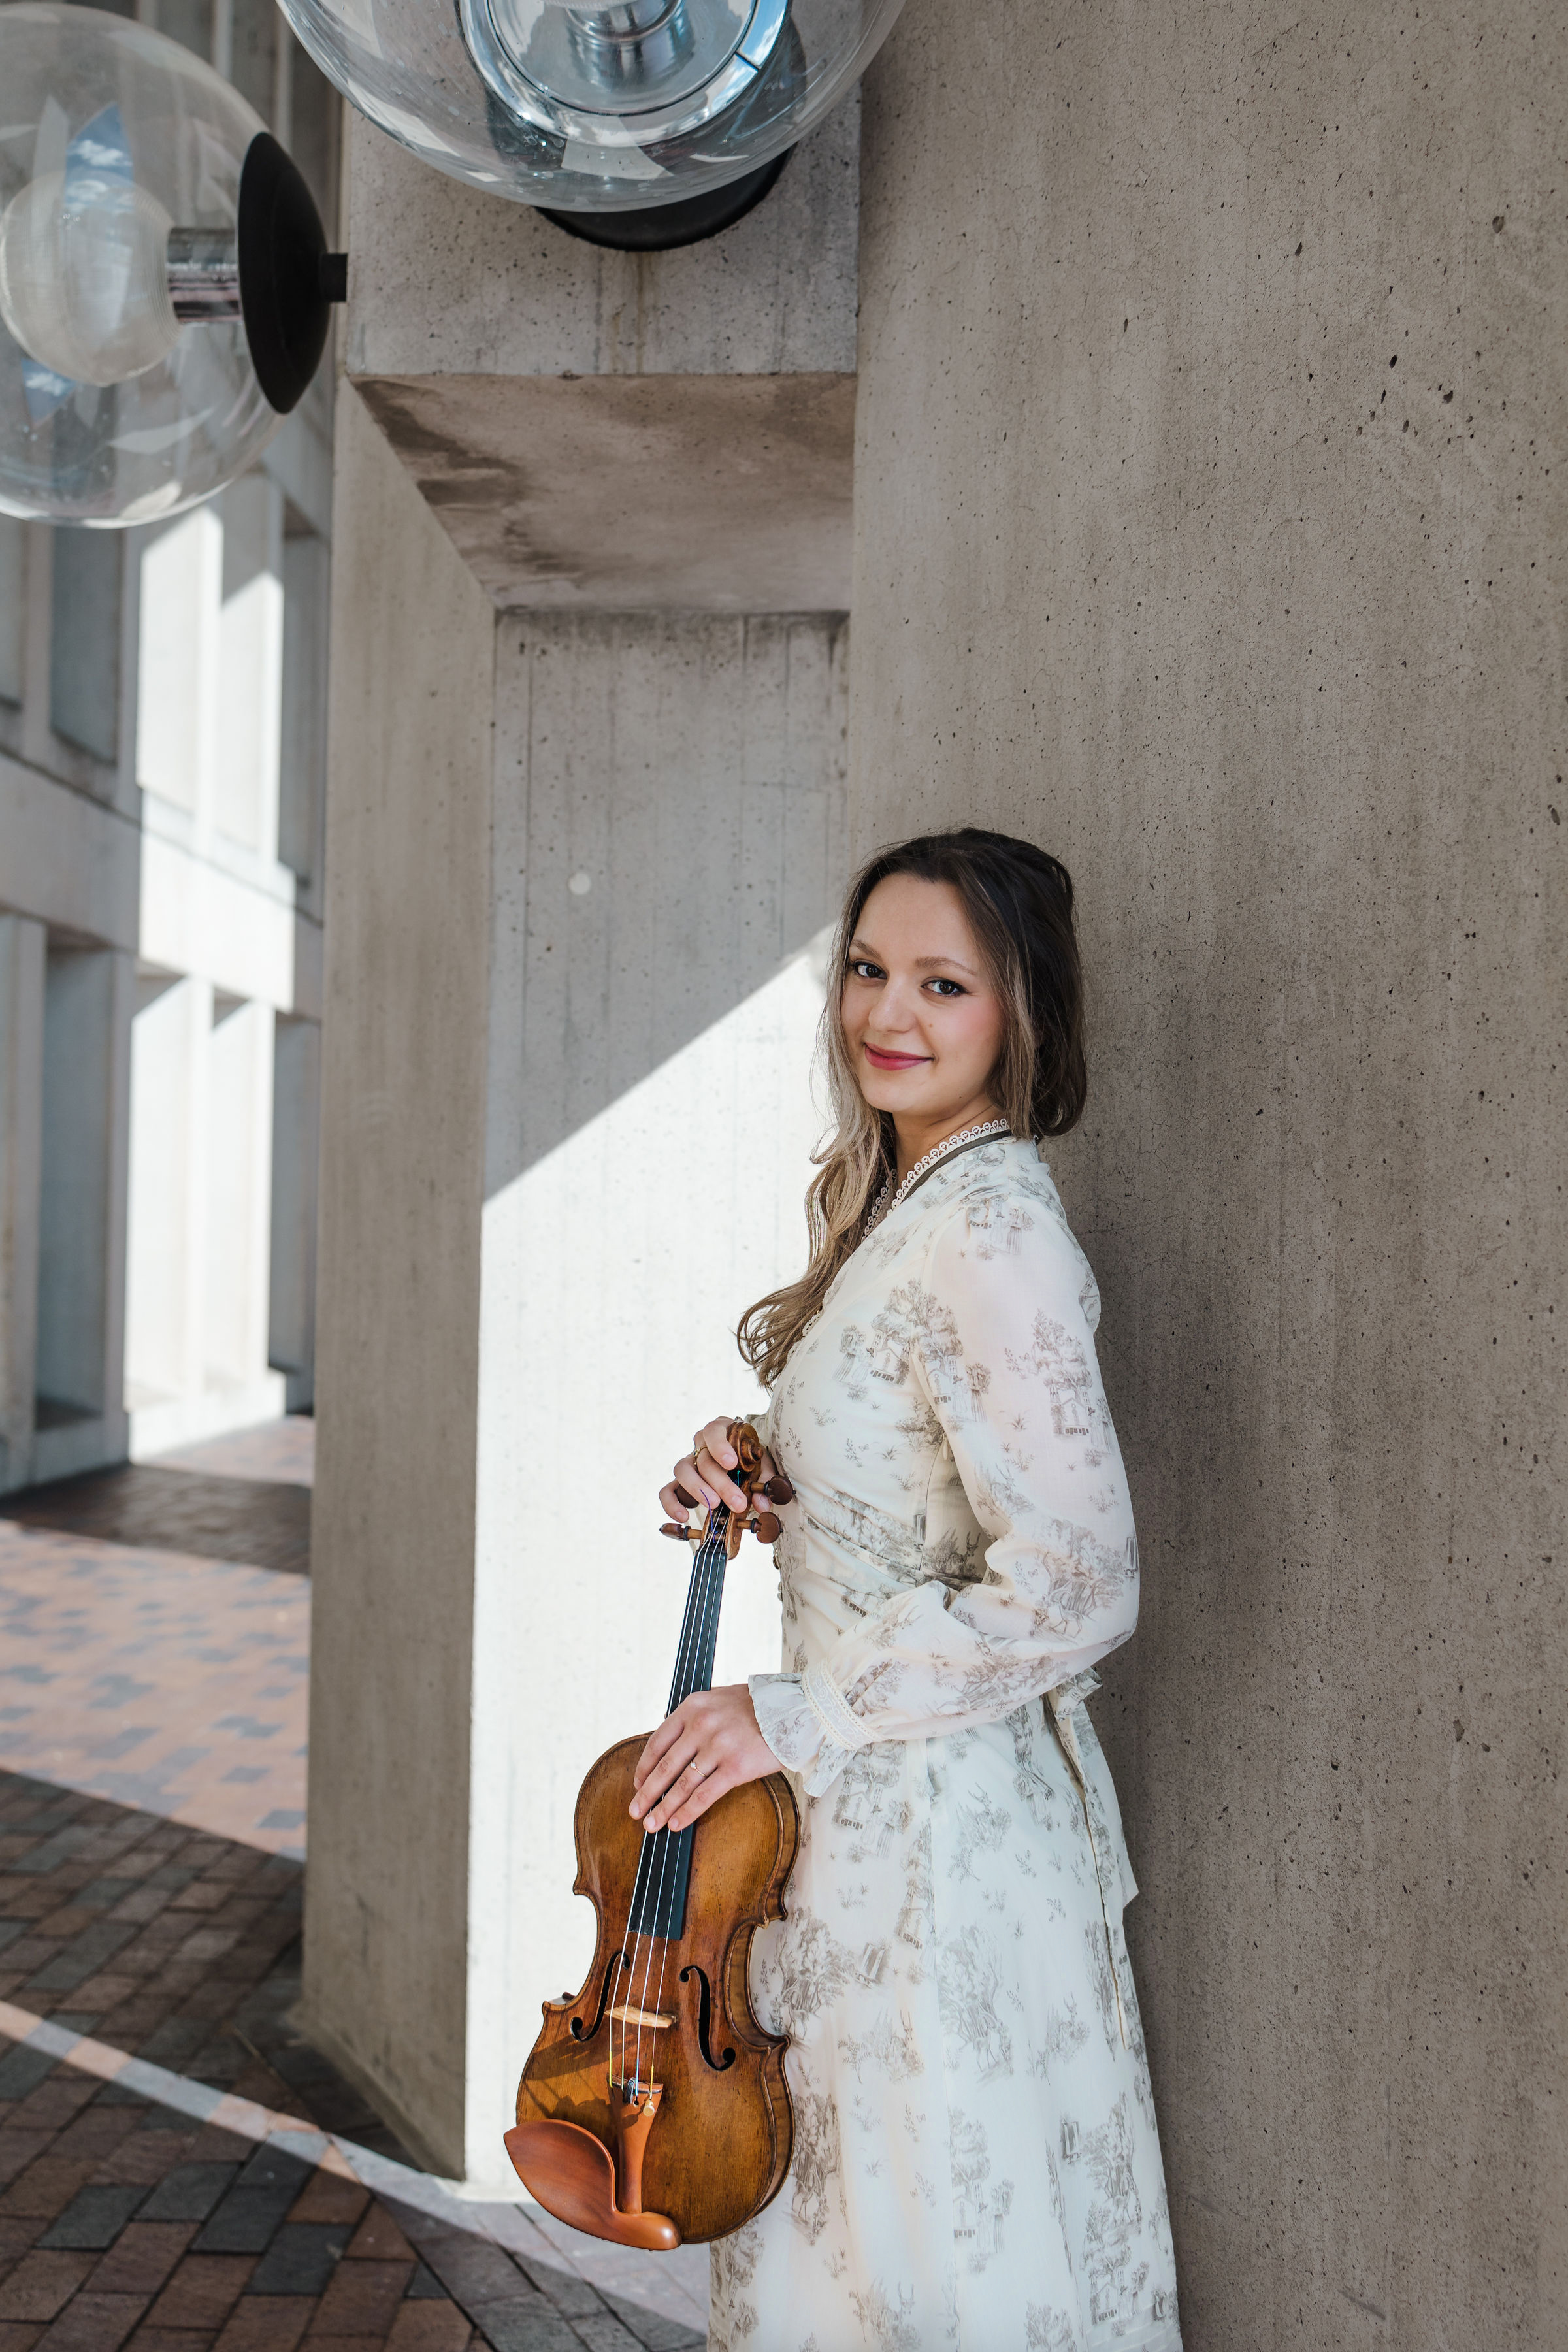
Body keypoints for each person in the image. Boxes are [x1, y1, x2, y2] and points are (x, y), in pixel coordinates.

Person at [632, 828, 1181, 2352]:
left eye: (945, 983)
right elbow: (908, 1495)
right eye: (870, 969)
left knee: (926, 2275)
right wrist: (757, 1468)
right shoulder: (913, 1207)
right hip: (865, 1831)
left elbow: (1082, 1581)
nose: (888, 1012)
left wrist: (794, 1713)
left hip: (940, 1856)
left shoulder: (993, 1231)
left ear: (1024, 1010)